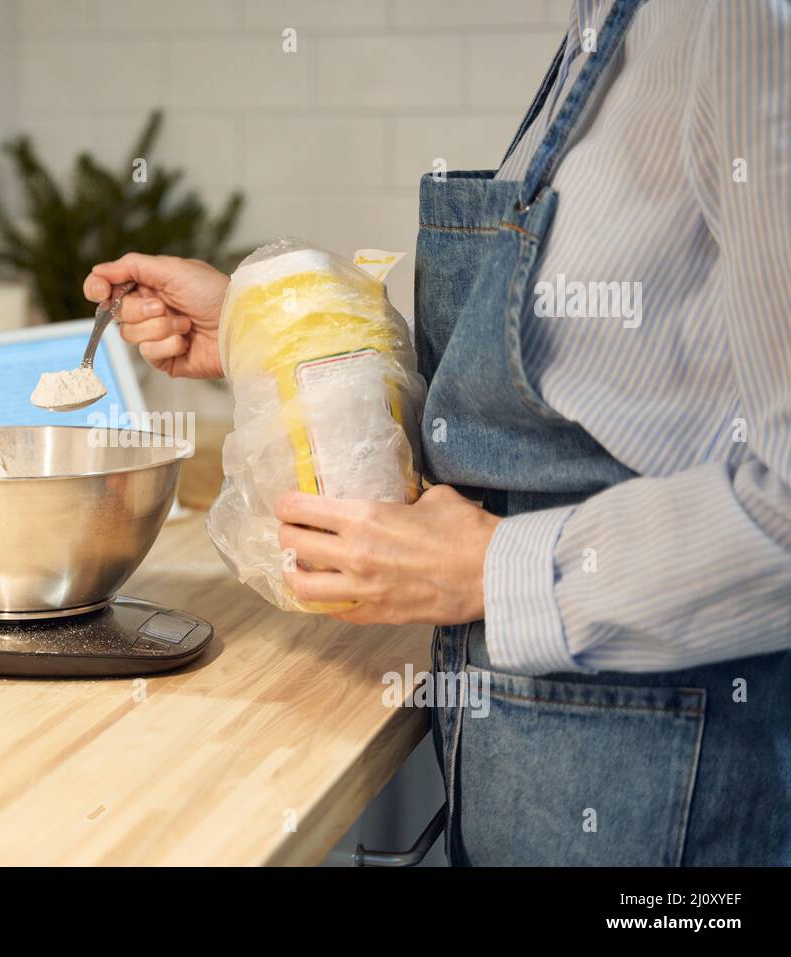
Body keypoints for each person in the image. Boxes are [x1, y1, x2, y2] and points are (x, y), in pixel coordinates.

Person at [83, 0, 790, 866]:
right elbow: (574, 381)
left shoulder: (743, 22)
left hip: (665, 790)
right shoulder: (603, 25)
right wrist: (257, 322)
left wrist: (491, 566)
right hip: (520, 750)